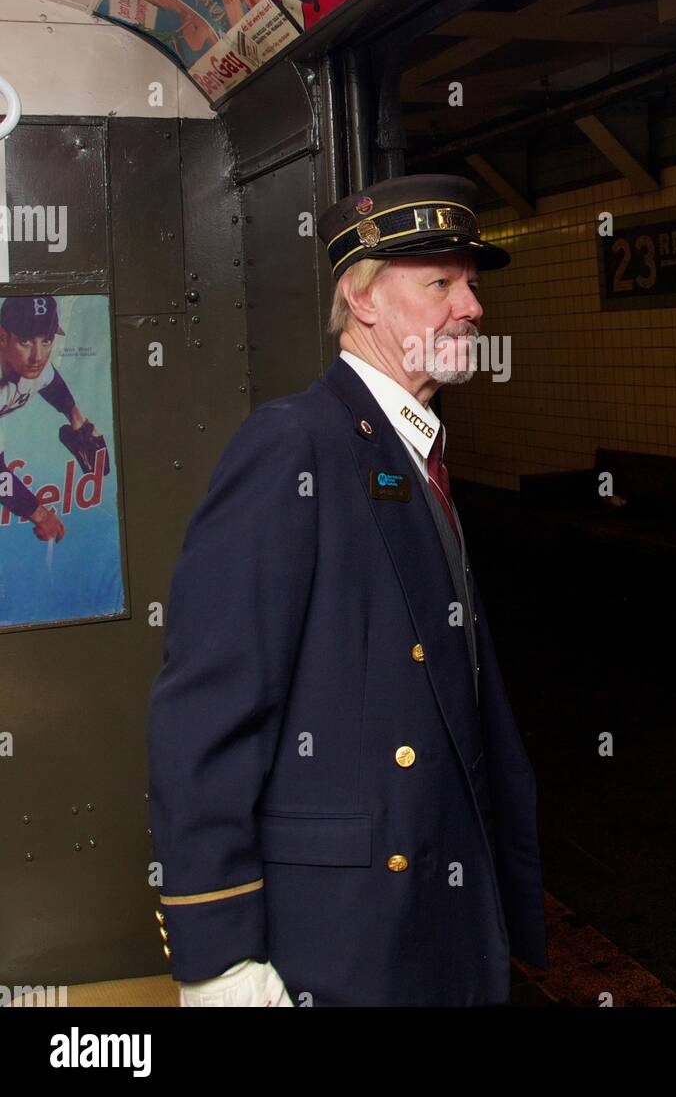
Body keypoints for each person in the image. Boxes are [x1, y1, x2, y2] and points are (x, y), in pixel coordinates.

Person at [146, 173, 548, 1007]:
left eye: (470, 284)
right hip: (346, 930)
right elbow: (208, 711)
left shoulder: (410, 447)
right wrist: (217, 956)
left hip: (432, 902)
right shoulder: (294, 444)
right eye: (440, 283)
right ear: (362, 302)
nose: (470, 307)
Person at [0, 295, 109, 543]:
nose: (38, 355)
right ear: (2, 336)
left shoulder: (26, 364)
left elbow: (50, 381)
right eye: (26, 340)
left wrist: (77, 419)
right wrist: (40, 515)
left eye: (46, 340)